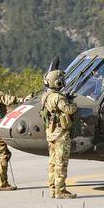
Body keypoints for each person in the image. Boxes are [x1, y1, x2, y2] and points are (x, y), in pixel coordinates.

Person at [42, 69, 79, 199]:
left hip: (51, 133)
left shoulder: (45, 95)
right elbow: (69, 110)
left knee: (52, 162)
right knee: (61, 162)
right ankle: (60, 190)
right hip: (60, 133)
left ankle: (52, 189)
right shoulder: (58, 97)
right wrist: (73, 103)